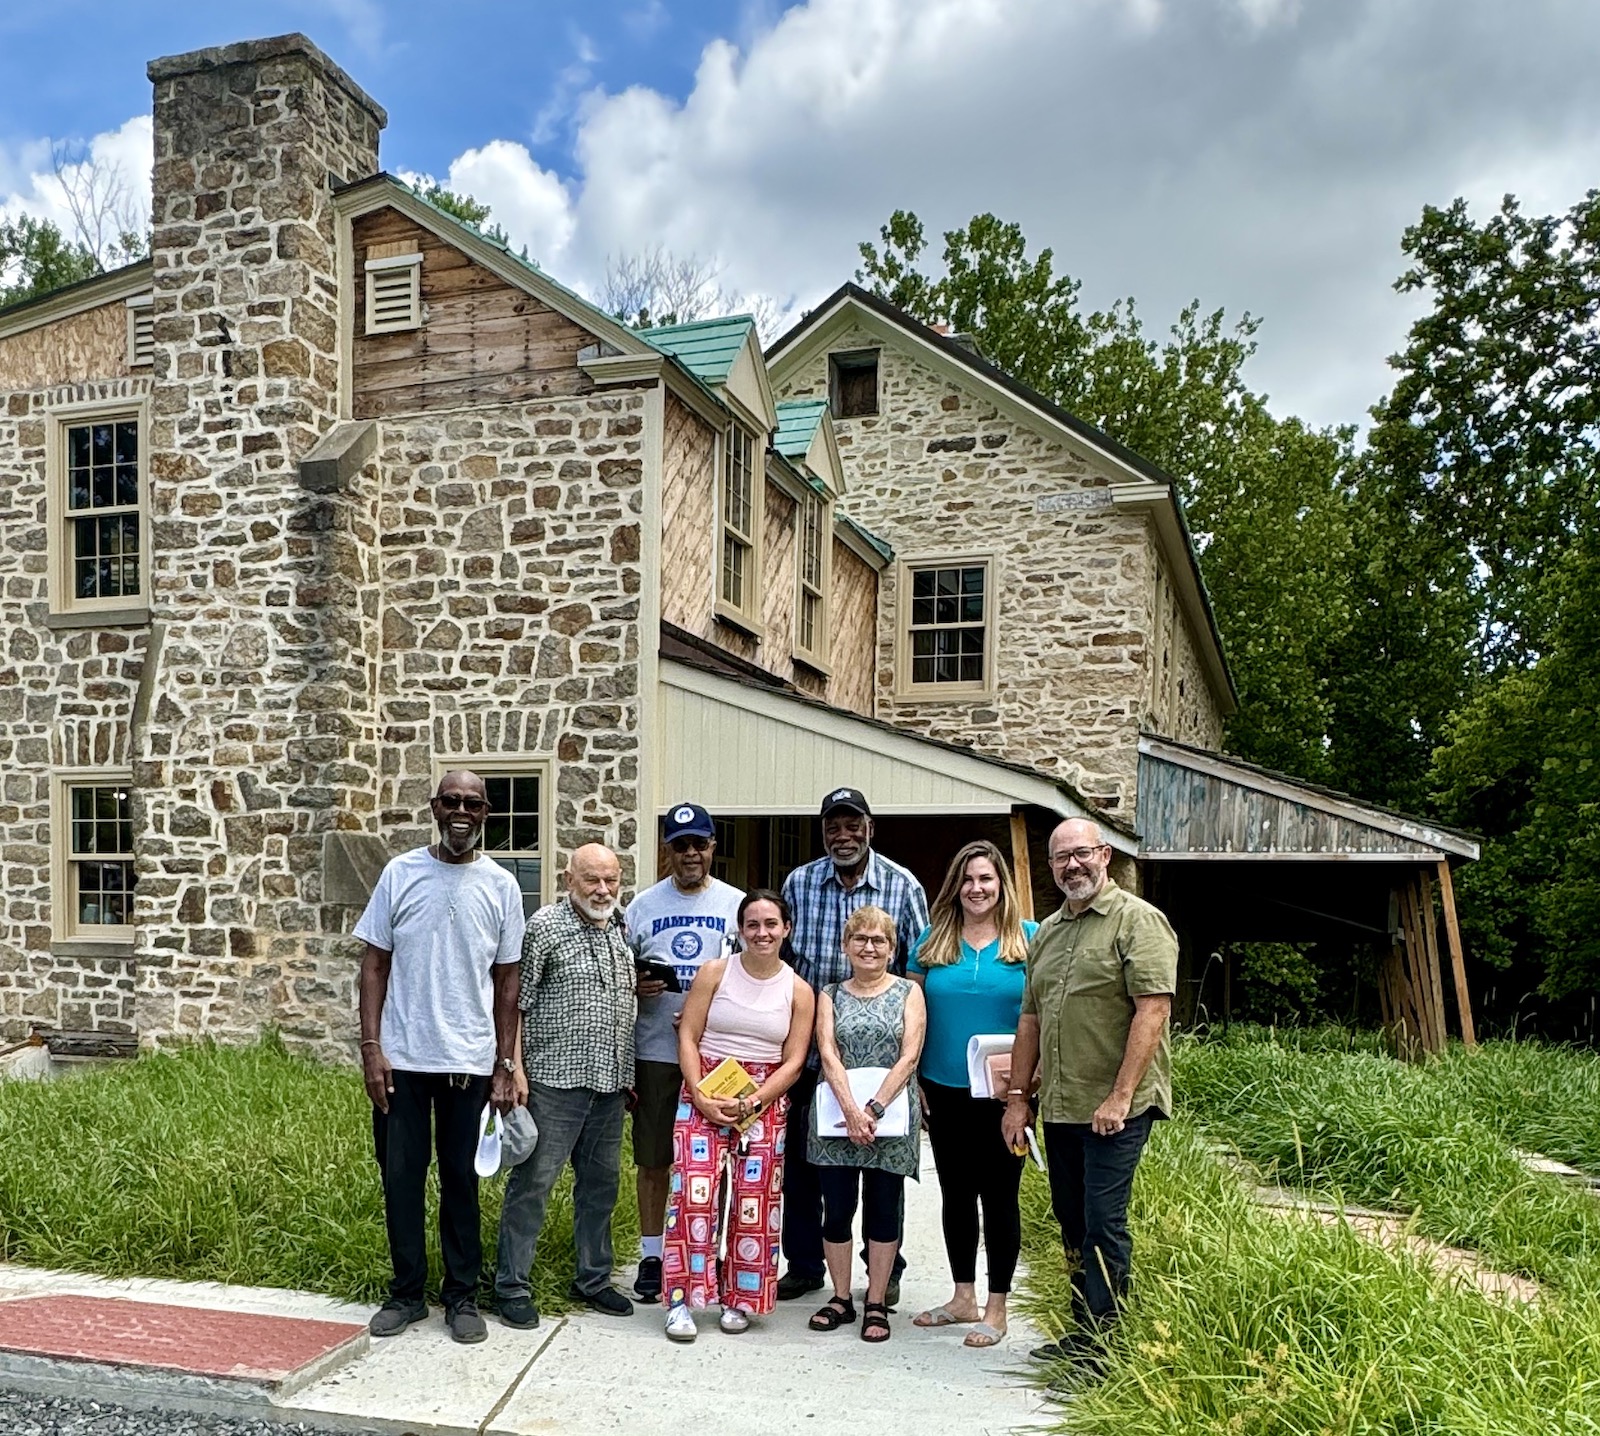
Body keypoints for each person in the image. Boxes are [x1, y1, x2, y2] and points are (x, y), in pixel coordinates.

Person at [1001, 818, 1178, 1374]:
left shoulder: (1139, 922)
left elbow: (1153, 1009)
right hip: (1060, 1103)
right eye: (1060, 858)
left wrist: (1120, 1095)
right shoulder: (1047, 933)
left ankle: (1106, 1349)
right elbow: (1029, 1018)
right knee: (1071, 1220)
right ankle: (1083, 1332)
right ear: (1050, 867)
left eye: (1081, 854)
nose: (1072, 866)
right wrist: (1018, 1098)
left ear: (1104, 856)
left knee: (1104, 1221)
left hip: (1115, 1108)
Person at [355, 771, 524, 1345]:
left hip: (469, 1062)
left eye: (471, 804)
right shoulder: (400, 874)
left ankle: (461, 1296)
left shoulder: (501, 886)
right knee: (400, 1178)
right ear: (434, 807)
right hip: (402, 1058)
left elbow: (507, 983)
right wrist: (371, 1048)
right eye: (450, 801)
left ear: (486, 813)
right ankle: (405, 1293)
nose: (460, 811)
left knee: (461, 1181)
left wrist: (505, 1064)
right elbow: (374, 965)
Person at [778, 787, 929, 1305]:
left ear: (870, 827)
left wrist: (912, 1057)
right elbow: (787, 962)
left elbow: (917, 967)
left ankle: (883, 1276)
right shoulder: (799, 883)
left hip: (884, 1058)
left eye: (852, 825)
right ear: (823, 832)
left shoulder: (901, 885)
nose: (843, 835)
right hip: (813, 1049)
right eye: (833, 827)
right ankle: (804, 1265)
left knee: (882, 1178)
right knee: (805, 1169)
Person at [660, 889, 816, 1342]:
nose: (761, 933)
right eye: (752, 924)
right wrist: (699, 1094)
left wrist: (754, 1102)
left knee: (754, 1200)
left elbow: (793, 1061)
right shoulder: (714, 973)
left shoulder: (799, 990)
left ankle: (739, 1297)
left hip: (762, 1101)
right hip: (705, 1087)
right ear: (740, 929)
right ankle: (681, 1300)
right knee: (693, 1193)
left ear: (786, 929)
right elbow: (688, 1035)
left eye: (771, 924)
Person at [494, 843, 637, 1327]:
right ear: (568, 879)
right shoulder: (545, 928)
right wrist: (513, 1068)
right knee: (534, 1185)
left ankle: (592, 1278)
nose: (602, 890)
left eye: (611, 880)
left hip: (610, 1084)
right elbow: (516, 1001)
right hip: (554, 1082)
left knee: (601, 1187)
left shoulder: (620, 927)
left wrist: (630, 1075)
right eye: (592, 880)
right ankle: (511, 1285)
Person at [907, 839, 1039, 1348]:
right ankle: (962, 1296)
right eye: (967, 879)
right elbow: (912, 1015)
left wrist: (1028, 1088)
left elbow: (1044, 1016)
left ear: (1001, 884)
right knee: (956, 1195)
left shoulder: (1030, 940)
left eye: (986, 879)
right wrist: (913, 1077)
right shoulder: (932, 940)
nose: (976, 888)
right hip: (943, 1089)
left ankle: (997, 1306)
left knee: (1000, 1196)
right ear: (954, 887)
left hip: (1009, 1094)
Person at [624, 802, 745, 1304]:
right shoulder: (641, 907)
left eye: (699, 843)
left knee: (712, 1161)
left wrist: (705, 1007)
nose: (690, 853)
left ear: (713, 847)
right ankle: (653, 1255)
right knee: (654, 1158)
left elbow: (753, 975)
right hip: (655, 1048)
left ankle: (705, 1252)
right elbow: (618, 972)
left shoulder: (736, 904)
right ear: (667, 851)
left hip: (718, 1052)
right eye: (680, 845)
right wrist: (637, 983)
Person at [806, 905, 926, 1344]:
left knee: (882, 1209)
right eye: (860, 939)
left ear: (892, 948)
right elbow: (828, 1051)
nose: (869, 947)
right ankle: (840, 1297)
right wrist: (851, 1111)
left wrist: (873, 1110)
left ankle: (876, 1300)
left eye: (879, 940)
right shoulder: (830, 993)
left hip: (889, 1119)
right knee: (836, 1209)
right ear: (846, 946)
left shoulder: (909, 993)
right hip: (838, 1117)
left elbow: (909, 1055)